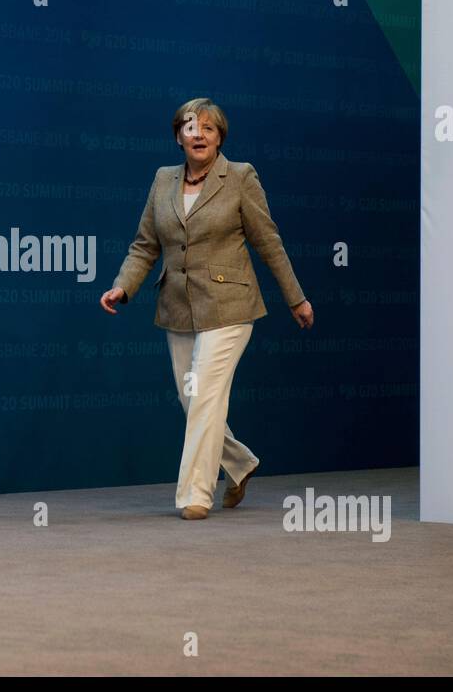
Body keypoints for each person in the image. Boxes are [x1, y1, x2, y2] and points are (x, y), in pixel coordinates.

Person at [100, 97, 313, 519]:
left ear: (219, 138)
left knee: (205, 400)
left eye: (209, 129)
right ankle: (239, 463)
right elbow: (145, 245)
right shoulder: (163, 180)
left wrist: (296, 297)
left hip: (230, 306)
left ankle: (196, 494)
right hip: (178, 308)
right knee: (192, 399)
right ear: (178, 135)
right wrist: (122, 287)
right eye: (191, 127)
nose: (199, 134)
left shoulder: (240, 177)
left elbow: (268, 241)